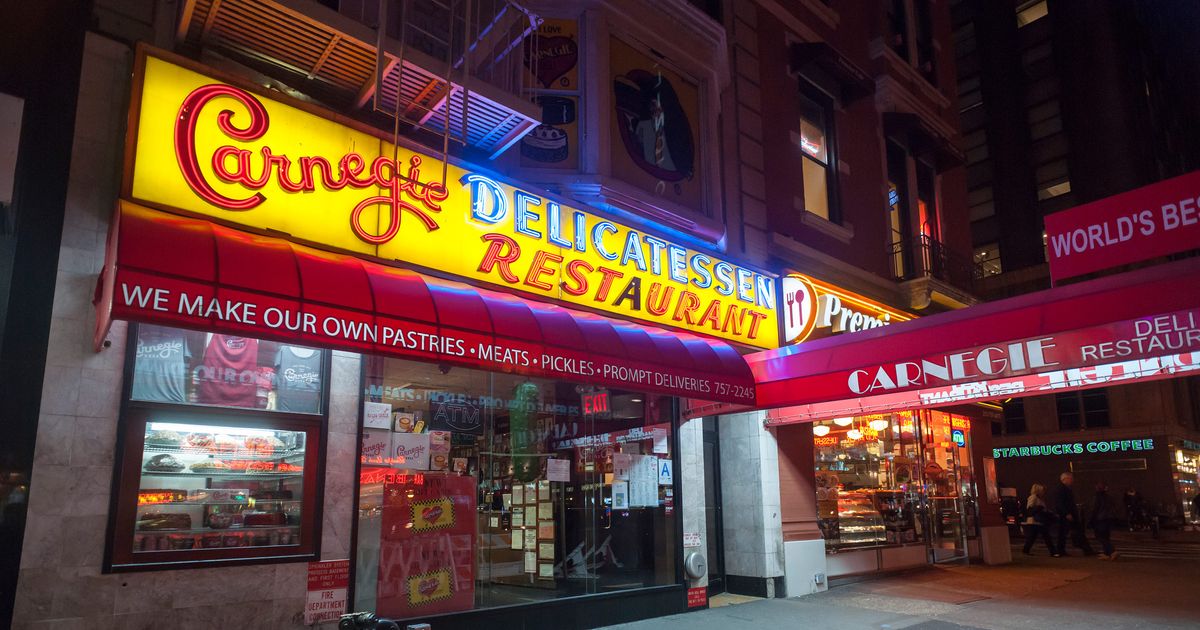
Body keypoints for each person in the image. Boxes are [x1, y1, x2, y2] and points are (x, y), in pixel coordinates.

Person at [1052, 472, 1095, 556]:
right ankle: (1085, 549)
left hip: (1067, 514)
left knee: (1066, 533)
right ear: (1065, 479)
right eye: (1071, 478)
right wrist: (1066, 513)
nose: (1072, 480)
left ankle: (1085, 549)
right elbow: (1060, 503)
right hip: (1067, 515)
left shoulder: (1063, 489)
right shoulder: (1062, 489)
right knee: (1067, 533)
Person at [1022, 483, 1058, 556]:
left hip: (1036, 521)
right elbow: (1030, 508)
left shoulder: (1038, 498)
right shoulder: (1034, 497)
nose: (1043, 492)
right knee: (1046, 536)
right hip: (1035, 520)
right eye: (1042, 490)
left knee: (1032, 537)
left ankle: (1026, 550)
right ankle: (1053, 552)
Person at [1090, 482, 1119, 560]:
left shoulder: (1097, 497)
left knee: (1100, 536)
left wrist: (1091, 520)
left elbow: (1095, 509)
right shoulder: (1108, 497)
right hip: (1108, 518)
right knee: (1106, 536)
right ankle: (1107, 553)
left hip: (1100, 519)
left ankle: (1112, 551)